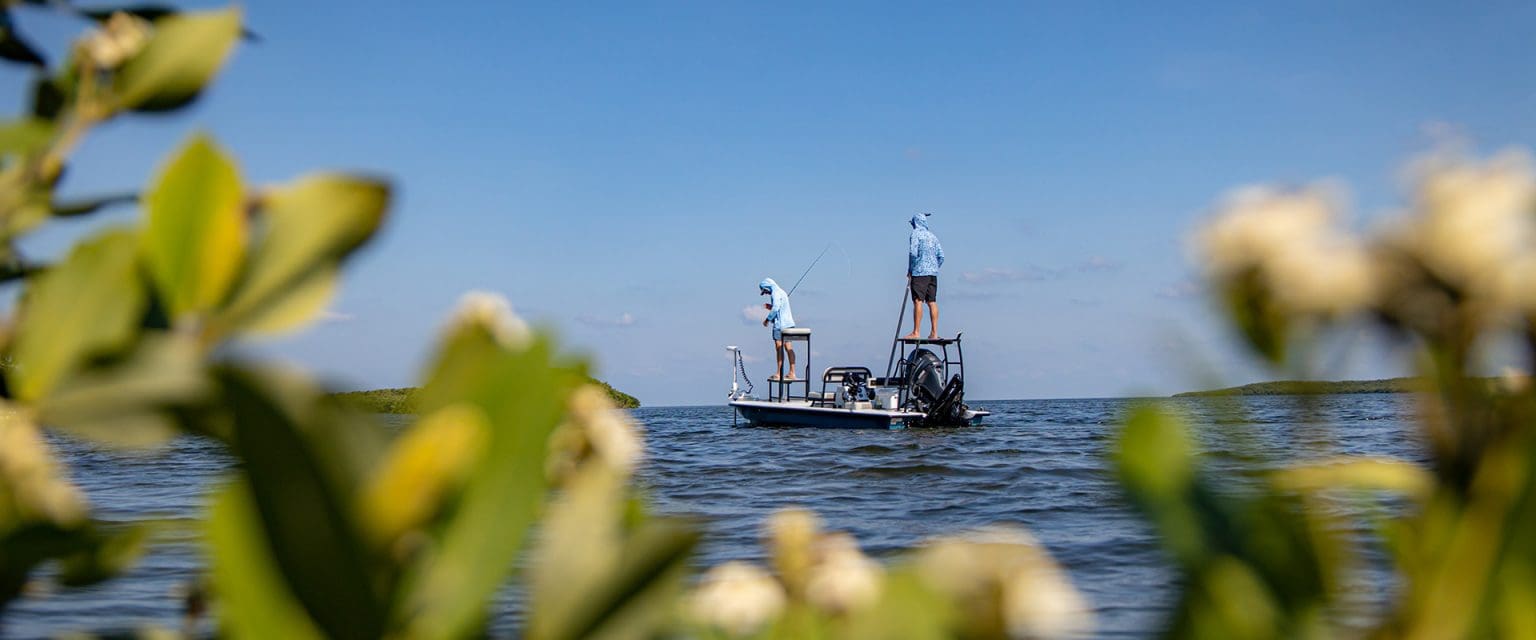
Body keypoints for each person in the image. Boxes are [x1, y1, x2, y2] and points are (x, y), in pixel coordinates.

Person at [904, 212, 944, 340]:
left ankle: (916, 332)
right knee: (932, 301)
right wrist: (934, 267)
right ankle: (934, 332)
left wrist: (911, 269)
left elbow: (913, 253)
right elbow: (941, 256)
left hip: (919, 271)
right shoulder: (933, 236)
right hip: (933, 273)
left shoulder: (916, 234)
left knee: (918, 301)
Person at [758, 277, 797, 380]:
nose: (766, 293)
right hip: (789, 324)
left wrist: (767, 319)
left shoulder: (775, 293)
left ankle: (779, 373)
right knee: (789, 347)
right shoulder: (782, 292)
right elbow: (778, 308)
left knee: (779, 348)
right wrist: (769, 307)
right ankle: (792, 372)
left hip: (780, 325)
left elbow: (776, 309)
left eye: (765, 291)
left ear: (767, 287)